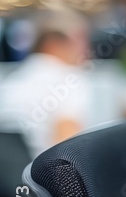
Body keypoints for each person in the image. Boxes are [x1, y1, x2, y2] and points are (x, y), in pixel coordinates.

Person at [0, 10, 92, 157]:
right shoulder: (69, 79)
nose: (87, 48)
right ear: (53, 43)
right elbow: (66, 150)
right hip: (37, 175)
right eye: (80, 39)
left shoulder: (12, 79)